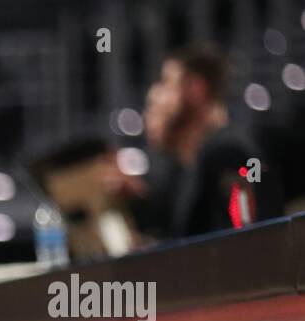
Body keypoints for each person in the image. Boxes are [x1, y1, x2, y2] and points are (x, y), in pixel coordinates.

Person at [116, 44, 283, 239]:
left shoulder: (228, 154)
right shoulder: (184, 167)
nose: (153, 95)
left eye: (165, 83)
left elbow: (247, 243)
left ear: (195, 89)